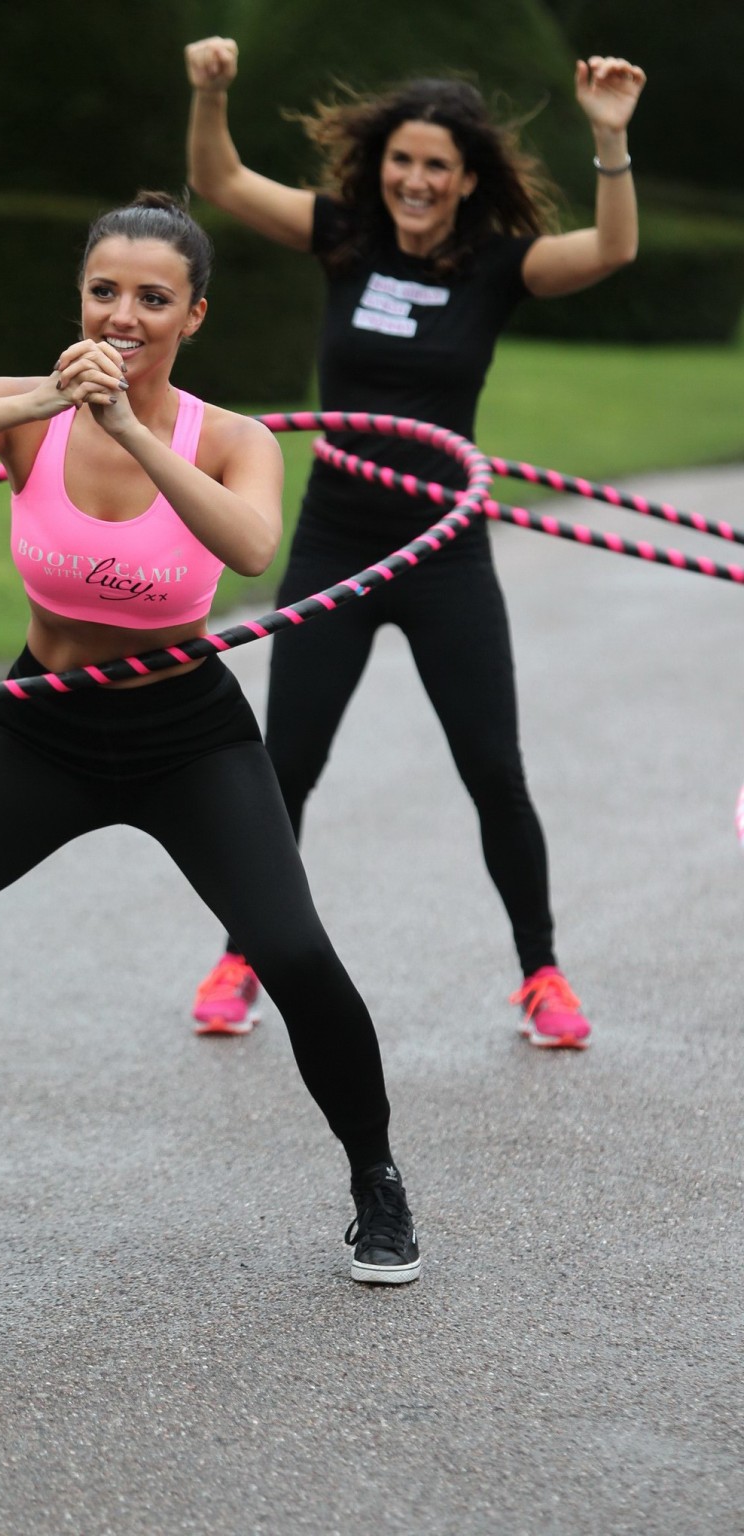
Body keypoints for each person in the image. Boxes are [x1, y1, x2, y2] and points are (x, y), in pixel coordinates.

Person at [0, 192, 420, 1286]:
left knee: (289, 954)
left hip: (187, 734)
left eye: (151, 297)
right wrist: (48, 395)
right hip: (46, 727)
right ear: (79, 297)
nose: (122, 314)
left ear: (194, 316)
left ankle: (375, 1179)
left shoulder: (231, 439)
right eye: (103, 291)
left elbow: (247, 550)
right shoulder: (26, 412)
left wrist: (132, 423)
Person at [184, 39, 646, 1048]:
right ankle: (241, 950)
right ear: (378, 165)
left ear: (466, 177)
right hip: (335, 543)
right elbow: (215, 179)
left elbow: (610, 253)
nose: (416, 179)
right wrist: (210, 93)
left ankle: (540, 972)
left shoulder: (494, 267)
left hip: (445, 551)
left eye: (437, 164)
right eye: (402, 160)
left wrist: (608, 141)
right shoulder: (342, 236)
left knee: (492, 767)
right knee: (285, 764)